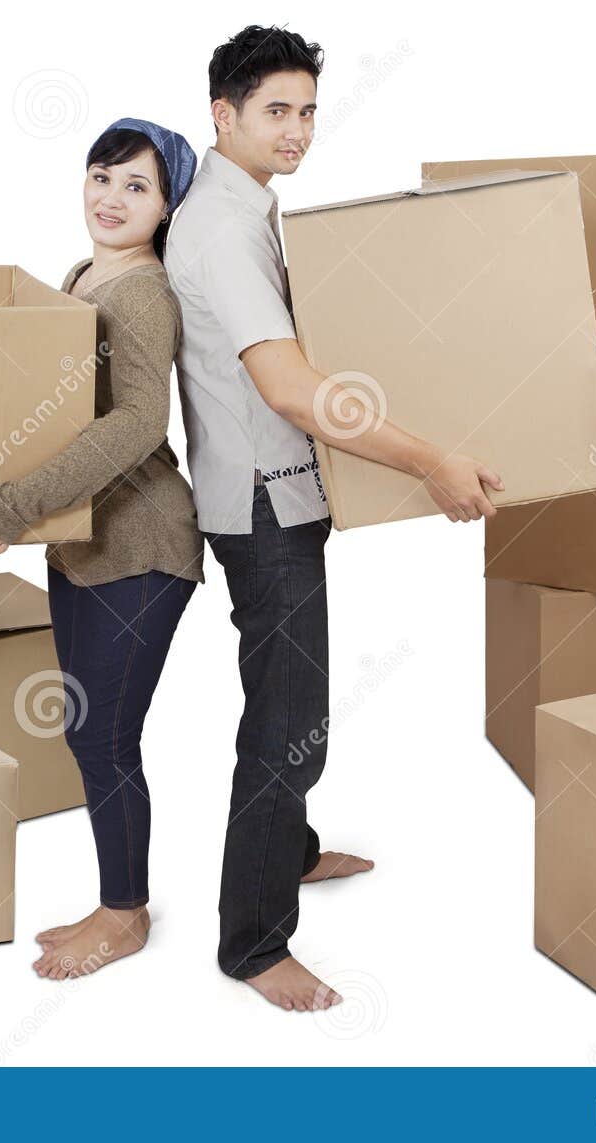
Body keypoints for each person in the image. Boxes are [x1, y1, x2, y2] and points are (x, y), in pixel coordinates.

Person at [165, 25, 504, 1012]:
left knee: (296, 704)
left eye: (309, 111)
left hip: (285, 497)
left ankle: (293, 850)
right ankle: (255, 944)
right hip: (262, 507)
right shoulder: (222, 227)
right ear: (221, 114)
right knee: (286, 721)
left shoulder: (253, 211)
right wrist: (431, 458)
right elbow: (287, 385)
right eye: (276, 110)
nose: (298, 130)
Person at [0, 118, 206, 980]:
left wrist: (14, 504)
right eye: (102, 176)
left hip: (145, 542)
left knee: (104, 737)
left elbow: (137, 423)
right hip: (85, 546)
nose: (112, 197)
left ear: (166, 207)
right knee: (87, 729)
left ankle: (124, 914)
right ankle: (122, 898)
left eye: (138, 186)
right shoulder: (82, 276)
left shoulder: (142, 294)